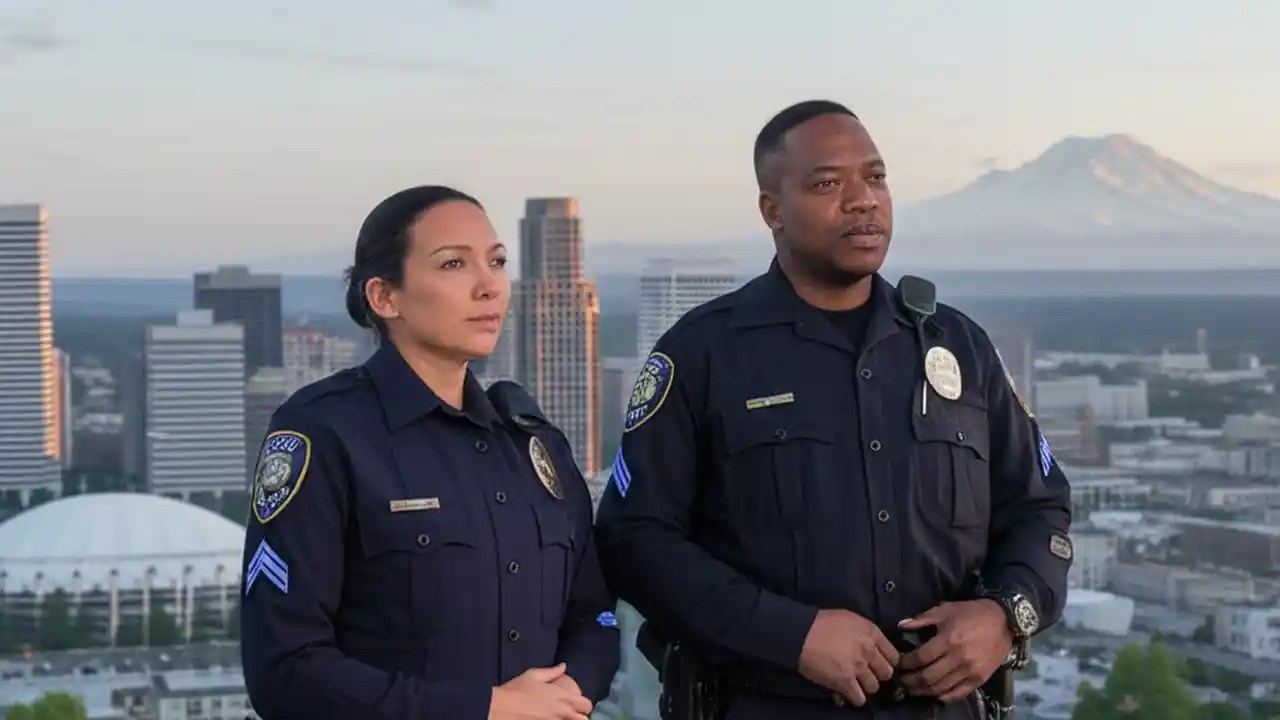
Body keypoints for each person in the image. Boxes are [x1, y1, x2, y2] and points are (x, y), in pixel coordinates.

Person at [594, 101, 1073, 720]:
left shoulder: (957, 347)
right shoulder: (704, 354)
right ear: (773, 209)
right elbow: (635, 541)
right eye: (828, 183)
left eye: (875, 178)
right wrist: (790, 634)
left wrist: (1005, 615)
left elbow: (1040, 507)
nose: (863, 200)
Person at [240, 185, 620, 720]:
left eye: (497, 261)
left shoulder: (534, 444)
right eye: (453, 265)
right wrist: (486, 709)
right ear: (384, 298)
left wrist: (563, 697)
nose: (489, 286)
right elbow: (285, 670)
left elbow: (595, 617)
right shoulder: (324, 433)